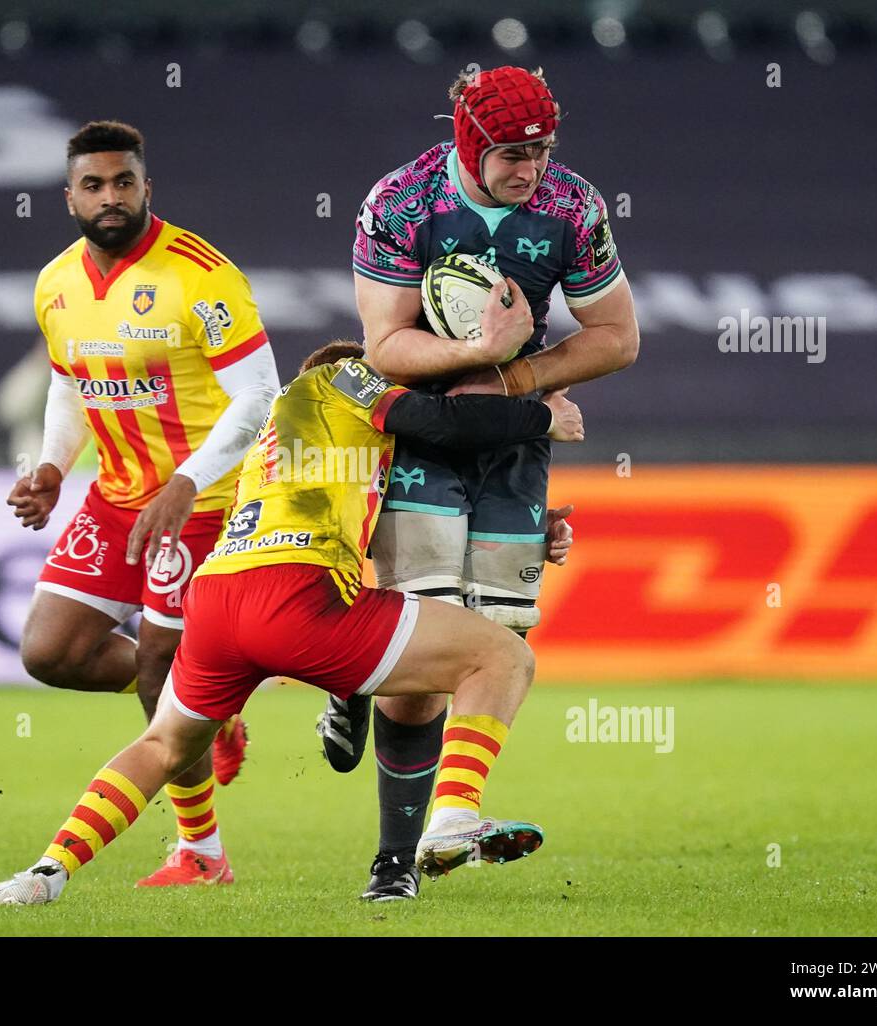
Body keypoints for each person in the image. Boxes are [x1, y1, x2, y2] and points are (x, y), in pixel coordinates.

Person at [0, 340, 585, 905]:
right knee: (501, 656)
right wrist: (541, 419)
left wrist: (532, 527)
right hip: (297, 595)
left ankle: (45, 873)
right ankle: (452, 814)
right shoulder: (343, 378)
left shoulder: (287, 434)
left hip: (216, 599)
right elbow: (442, 422)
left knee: (162, 745)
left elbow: (398, 511)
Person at [332, 64, 640, 900]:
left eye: (542, 150)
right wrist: (476, 352)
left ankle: (443, 806)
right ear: (469, 142)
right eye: (511, 152)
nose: (530, 169)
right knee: (430, 654)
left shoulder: (573, 206)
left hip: (512, 440)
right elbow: (385, 348)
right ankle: (396, 863)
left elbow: (617, 335)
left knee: (499, 643)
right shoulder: (400, 202)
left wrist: (511, 377)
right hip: (422, 437)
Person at [5, 119, 280, 886]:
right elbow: (69, 385)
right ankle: (210, 708)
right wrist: (54, 468)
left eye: (123, 181)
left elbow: (261, 394)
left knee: (161, 675)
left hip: (204, 501)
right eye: (93, 185)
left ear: (146, 187)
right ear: (69, 198)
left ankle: (201, 853)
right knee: (50, 653)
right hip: (116, 497)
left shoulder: (201, 273)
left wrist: (188, 479)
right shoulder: (56, 283)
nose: (110, 197)